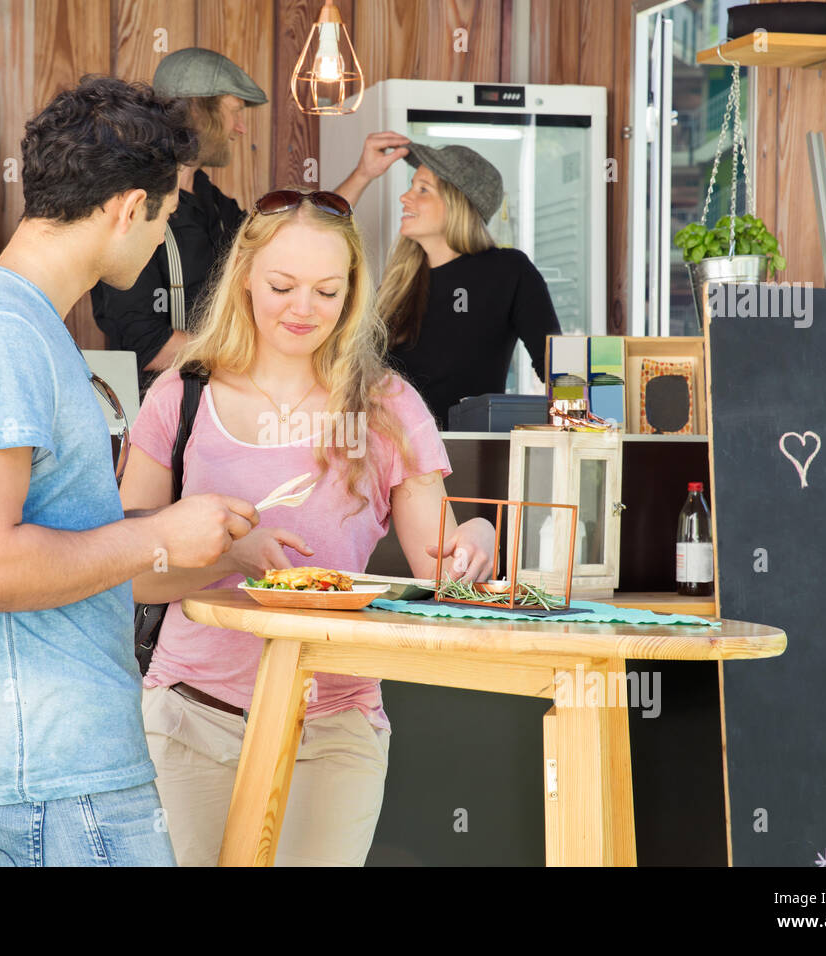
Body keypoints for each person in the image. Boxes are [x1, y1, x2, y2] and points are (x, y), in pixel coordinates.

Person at [0, 75, 259, 867]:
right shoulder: (0, 333)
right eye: (163, 218)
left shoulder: (20, 325)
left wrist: (191, 552)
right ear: (129, 208)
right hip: (56, 775)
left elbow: (58, 548)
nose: (163, 238)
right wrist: (158, 532)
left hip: (31, 774)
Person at [118, 188, 499, 866]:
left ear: (353, 293)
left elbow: (444, 564)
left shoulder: (388, 406)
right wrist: (235, 553)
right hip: (191, 717)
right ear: (244, 278)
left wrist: (479, 543)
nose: (303, 309)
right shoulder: (182, 396)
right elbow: (131, 570)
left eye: (327, 292)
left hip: (335, 724)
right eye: (283, 286)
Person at [335, 135, 562, 428]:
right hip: (393, 457)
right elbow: (317, 233)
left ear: (457, 204)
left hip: (468, 457)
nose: (406, 197)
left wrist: (578, 436)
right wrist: (363, 174)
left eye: (423, 190)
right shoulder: (399, 282)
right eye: (411, 186)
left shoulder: (508, 271)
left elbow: (559, 369)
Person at [91, 48, 268, 395]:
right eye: (235, 111)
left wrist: (363, 174)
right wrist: (250, 360)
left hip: (217, 409)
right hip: (160, 419)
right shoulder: (132, 204)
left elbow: (283, 242)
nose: (241, 128)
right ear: (198, 110)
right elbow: (147, 344)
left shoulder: (213, 202)